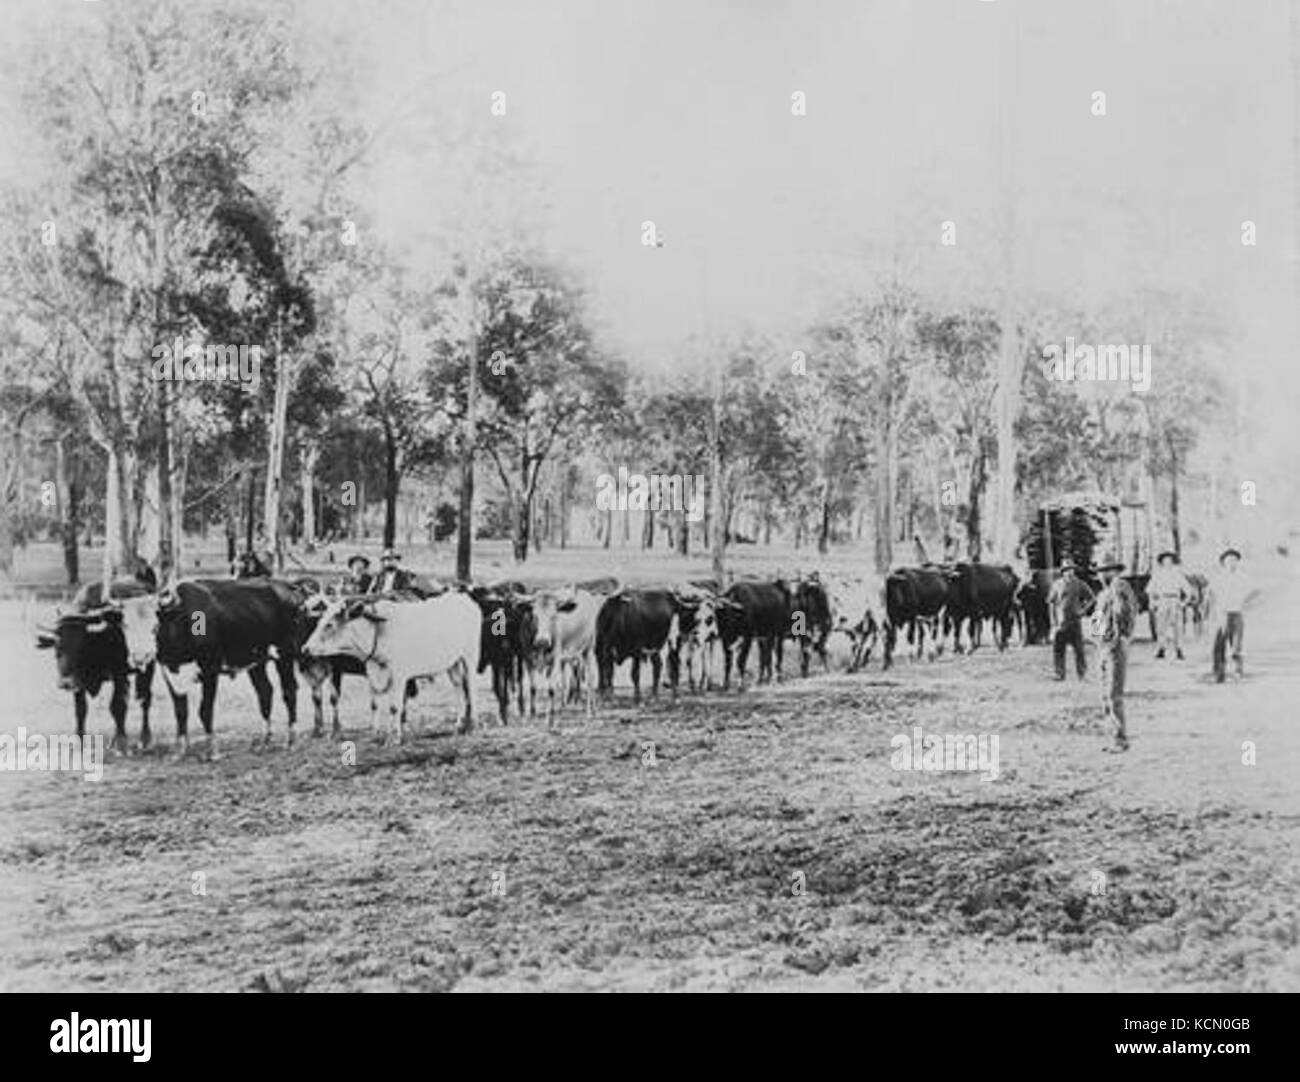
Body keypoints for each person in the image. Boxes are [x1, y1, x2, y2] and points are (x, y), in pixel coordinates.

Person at [1090, 562, 1139, 753]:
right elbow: (1097, 621)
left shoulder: (1120, 587)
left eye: (1107, 571)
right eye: (1101, 571)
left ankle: (1120, 740)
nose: (1103, 575)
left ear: (1116, 572)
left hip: (1115, 646)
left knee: (1113, 694)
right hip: (1103, 647)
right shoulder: (1103, 594)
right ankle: (1112, 736)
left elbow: (1126, 613)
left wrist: (1124, 637)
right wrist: (1097, 640)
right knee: (1104, 695)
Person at [1212, 547, 1254, 682]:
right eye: (1229, 560)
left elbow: (1251, 593)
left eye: (1235, 560)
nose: (1232, 563)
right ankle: (1219, 672)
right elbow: (1212, 597)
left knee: (1236, 645)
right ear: (1223, 562)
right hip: (1223, 614)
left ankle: (1238, 671)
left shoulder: (1243, 578)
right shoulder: (1218, 578)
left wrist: (1244, 605)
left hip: (1237, 613)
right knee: (1220, 644)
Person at [1048, 560, 1093, 680]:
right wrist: (1054, 621)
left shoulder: (1079, 584)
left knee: (1079, 650)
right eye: (1067, 570)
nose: (1070, 572)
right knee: (1058, 650)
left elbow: (1091, 598)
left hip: (1075, 622)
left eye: (1071, 569)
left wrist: (1083, 610)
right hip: (1061, 623)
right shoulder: (1057, 585)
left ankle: (1082, 674)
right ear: (1063, 572)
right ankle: (1059, 673)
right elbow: (1051, 603)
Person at [1149, 550, 1190, 661]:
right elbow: (1150, 590)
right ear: (1162, 562)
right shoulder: (1157, 575)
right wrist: (1153, 602)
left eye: (1170, 560)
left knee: (1178, 627)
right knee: (1161, 627)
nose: (1167, 563)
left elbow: (1188, 591)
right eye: (1165, 561)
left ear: (1173, 562)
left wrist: (1183, 603)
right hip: (1162, 599)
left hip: (1174, 600)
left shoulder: (1178, 574)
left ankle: (1179, 650)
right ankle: (1161, 649)